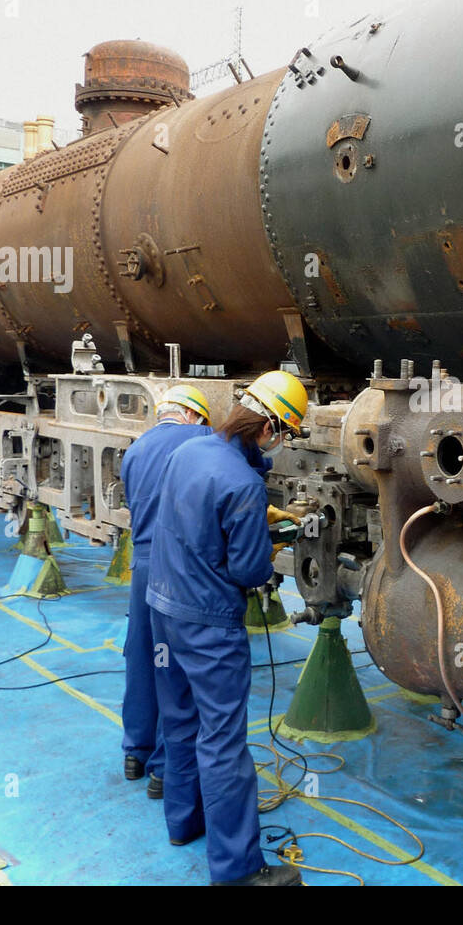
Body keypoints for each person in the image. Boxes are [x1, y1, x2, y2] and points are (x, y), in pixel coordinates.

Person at [146, 369, 308, 886]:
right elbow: (248, 571)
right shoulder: (242, 484)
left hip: (162, 607)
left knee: (179, 719)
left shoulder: (188, 450)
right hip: (208, 626)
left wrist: (253, 518)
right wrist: (269, 541)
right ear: (271, 429)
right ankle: (238, 870)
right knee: (223, 742)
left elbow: (191, 517)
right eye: (284, 434)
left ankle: (183, 821)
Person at [118, 385, 215, 800]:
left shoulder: (135, 449)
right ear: (195, 415)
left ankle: (135, 753)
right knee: (171, 667)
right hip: (174, 568)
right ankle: (163, 769)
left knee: (141, 655)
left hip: (141, 565)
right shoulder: (200, 438)